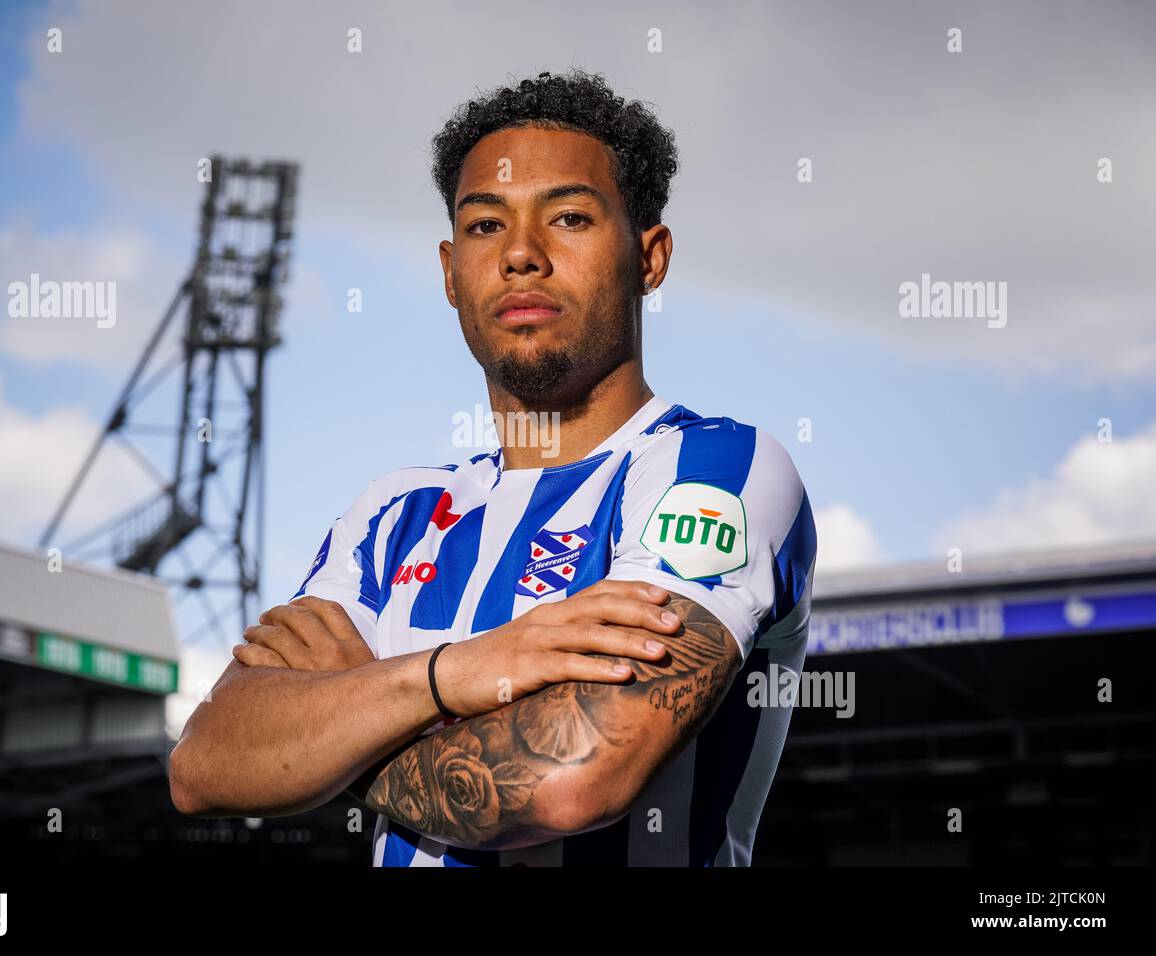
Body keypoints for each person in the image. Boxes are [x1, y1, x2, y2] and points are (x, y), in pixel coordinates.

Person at [170, 69, 817, 867]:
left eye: (569, 217)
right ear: (450, 273)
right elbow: (206, 762)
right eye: (485, 225)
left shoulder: (717, 468)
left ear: (649, 258)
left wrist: (343, 730)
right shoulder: (393, 513)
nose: (519, 255)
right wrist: (453, 674)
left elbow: (574, 777)